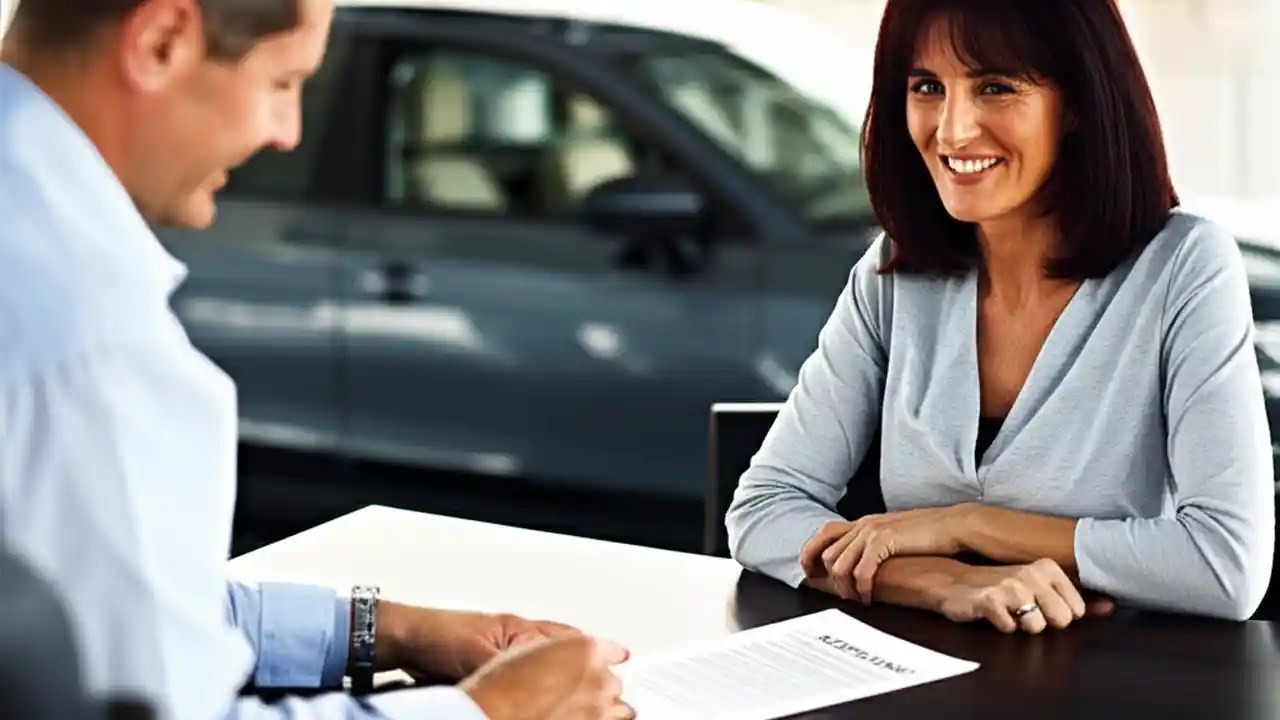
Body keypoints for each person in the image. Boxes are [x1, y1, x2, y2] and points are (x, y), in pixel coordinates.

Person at [0, 1, 634, 719]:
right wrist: (487, 714)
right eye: (281, 83)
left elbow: (90, 614)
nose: (287, 132)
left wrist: (384, 631)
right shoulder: (84, 338)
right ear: (162, 41)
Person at [727, 0, 1275, 634]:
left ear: (1076, 103)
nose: (953, 130)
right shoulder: (894, 276)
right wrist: (941, 580)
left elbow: (1224, 566)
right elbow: (764, 511)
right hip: (917, 683)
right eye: (927, 87)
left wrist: (966, 522)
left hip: (1121, 688)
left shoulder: (1183, 265)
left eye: (995, 87)